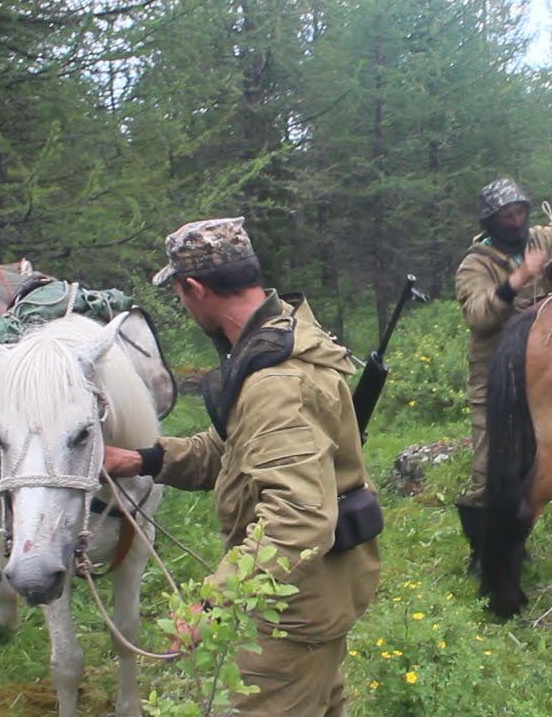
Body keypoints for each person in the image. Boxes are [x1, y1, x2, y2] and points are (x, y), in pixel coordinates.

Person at [103, 217, 380, 716]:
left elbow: (297, 517)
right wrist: (144, 459)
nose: (185, 307)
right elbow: (236, 447)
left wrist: (214, 603)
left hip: (289, 612)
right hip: (315, 593)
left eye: (181, 295)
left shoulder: (274, 381)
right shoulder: (280, 336)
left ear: (195, 288)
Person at [452, 179, 552, 572]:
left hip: (543, 373)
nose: (516, 220)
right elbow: (478, 315)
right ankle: (480, 552)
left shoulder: (540, 238)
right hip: (495, 375)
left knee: (529, 463)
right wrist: (518, 279)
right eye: (507, 215)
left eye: (520, 211)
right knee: (489, 467)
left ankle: (517, 542)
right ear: (492, 220)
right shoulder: (475, 264)